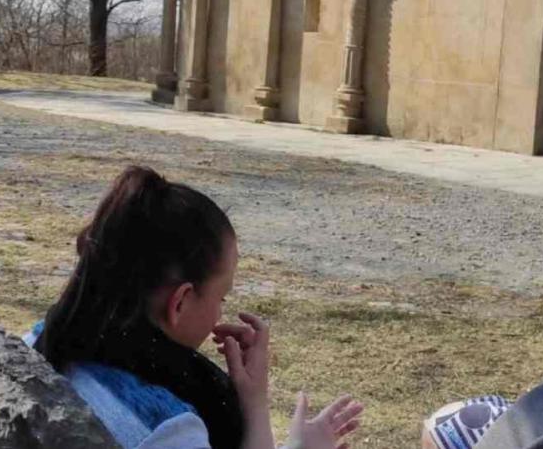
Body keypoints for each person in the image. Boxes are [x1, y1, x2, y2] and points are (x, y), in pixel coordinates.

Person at [27, 166, 363, 449]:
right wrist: (266, 415)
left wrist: (254, 400)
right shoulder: (168, 430)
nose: (220, 313)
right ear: (181, 301)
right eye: (221, 298)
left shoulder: (37, 343)